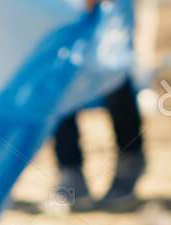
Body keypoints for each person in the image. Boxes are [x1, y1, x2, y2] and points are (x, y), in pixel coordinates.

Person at [51, 0, 148, 213]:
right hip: (60, 9)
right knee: (60, 71)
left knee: (111, 69)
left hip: (109, 11)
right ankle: (70, 169)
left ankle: (130, 161)